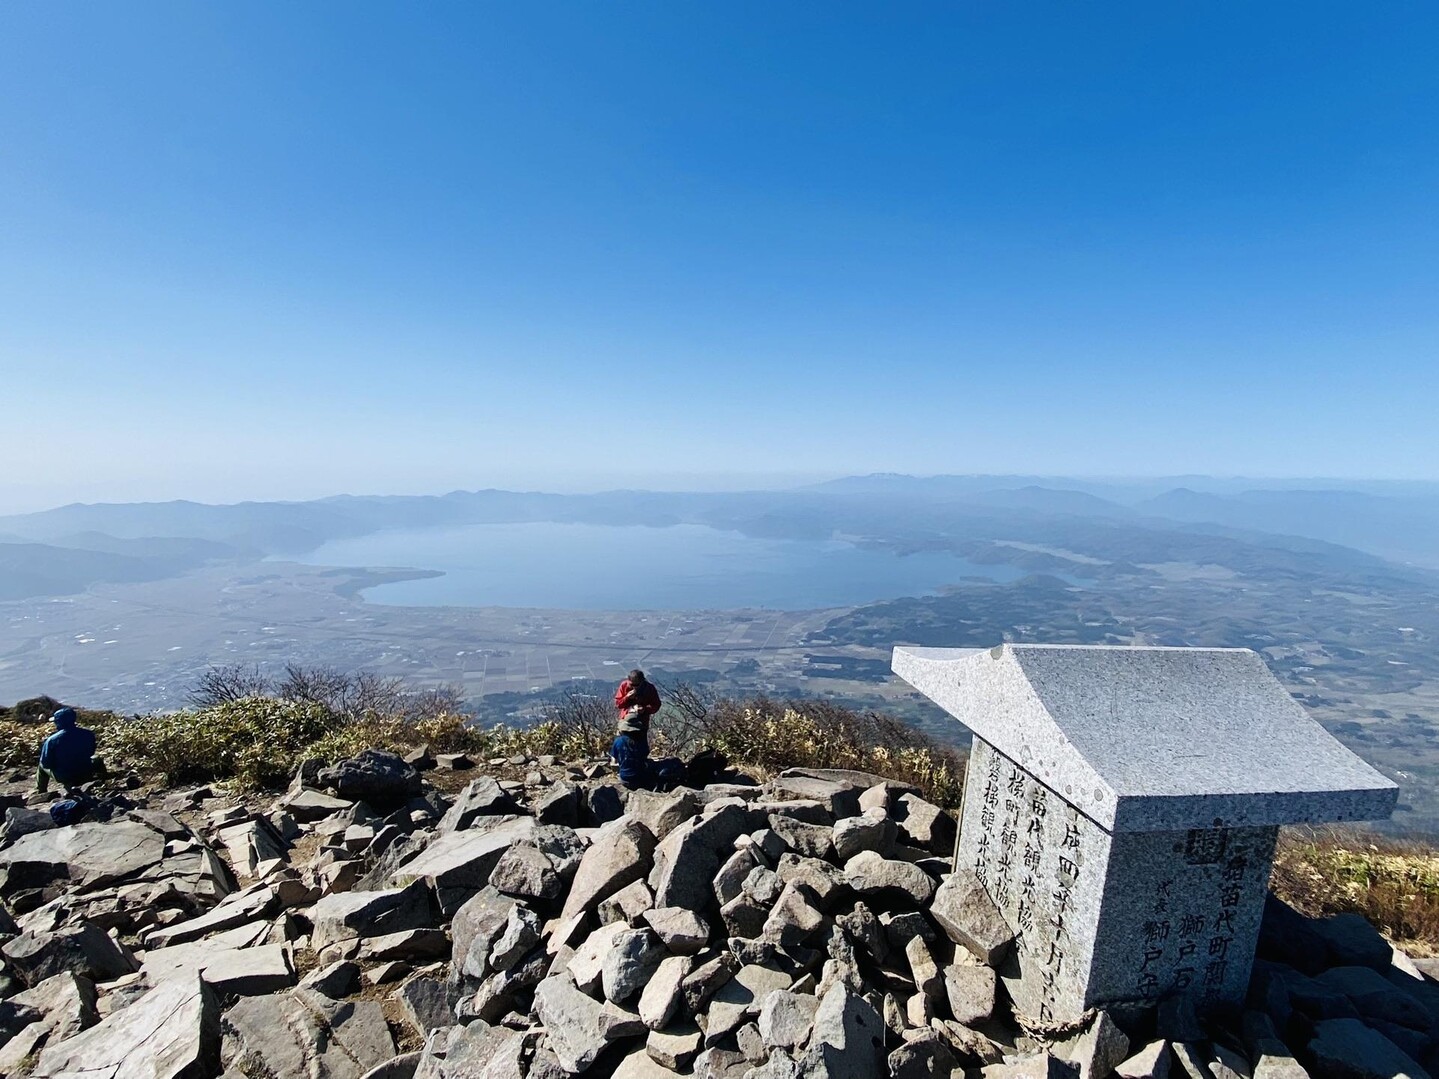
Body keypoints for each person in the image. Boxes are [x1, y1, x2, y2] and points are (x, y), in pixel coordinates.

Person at [611, 669, 662, 789]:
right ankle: (628, 768)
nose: (633, 686)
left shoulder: (649, 688)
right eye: (631, 684)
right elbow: (618, 704)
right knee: (624, 744)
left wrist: (644, 709)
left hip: (641, 723)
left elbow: (656, 705)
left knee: (640, 748)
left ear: (642, 681)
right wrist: (627, 697)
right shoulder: (624, 685)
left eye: (636, 685)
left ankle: (638, 768)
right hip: (626, 720)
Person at [36, 707, 102, 794]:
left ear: (58, 722)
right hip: (85, 771)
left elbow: (46, 763)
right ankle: (102, 781)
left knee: (41, 766)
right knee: (97, 758)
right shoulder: (88, 734)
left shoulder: (51, 740)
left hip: (64, 776)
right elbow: (91, 752)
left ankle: (41, 791)